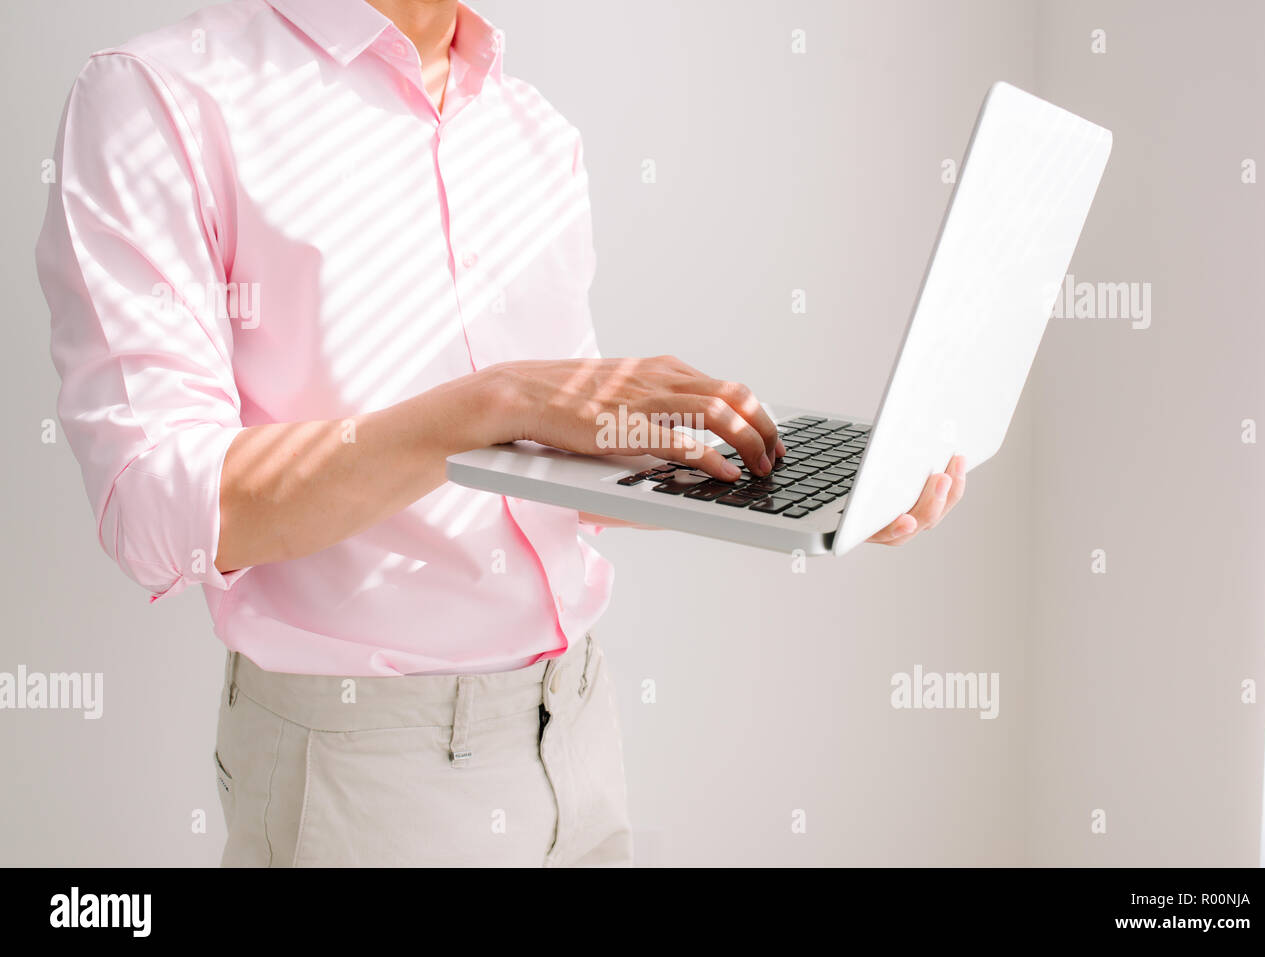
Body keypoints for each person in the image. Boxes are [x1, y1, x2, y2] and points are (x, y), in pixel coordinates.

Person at [35, 0, 966, 867]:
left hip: (579, 727)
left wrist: (767, 476)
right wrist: (499, 398)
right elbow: (153, 505)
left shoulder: (531, 130)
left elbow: (549, 461)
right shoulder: (162, 98)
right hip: (369, 776)